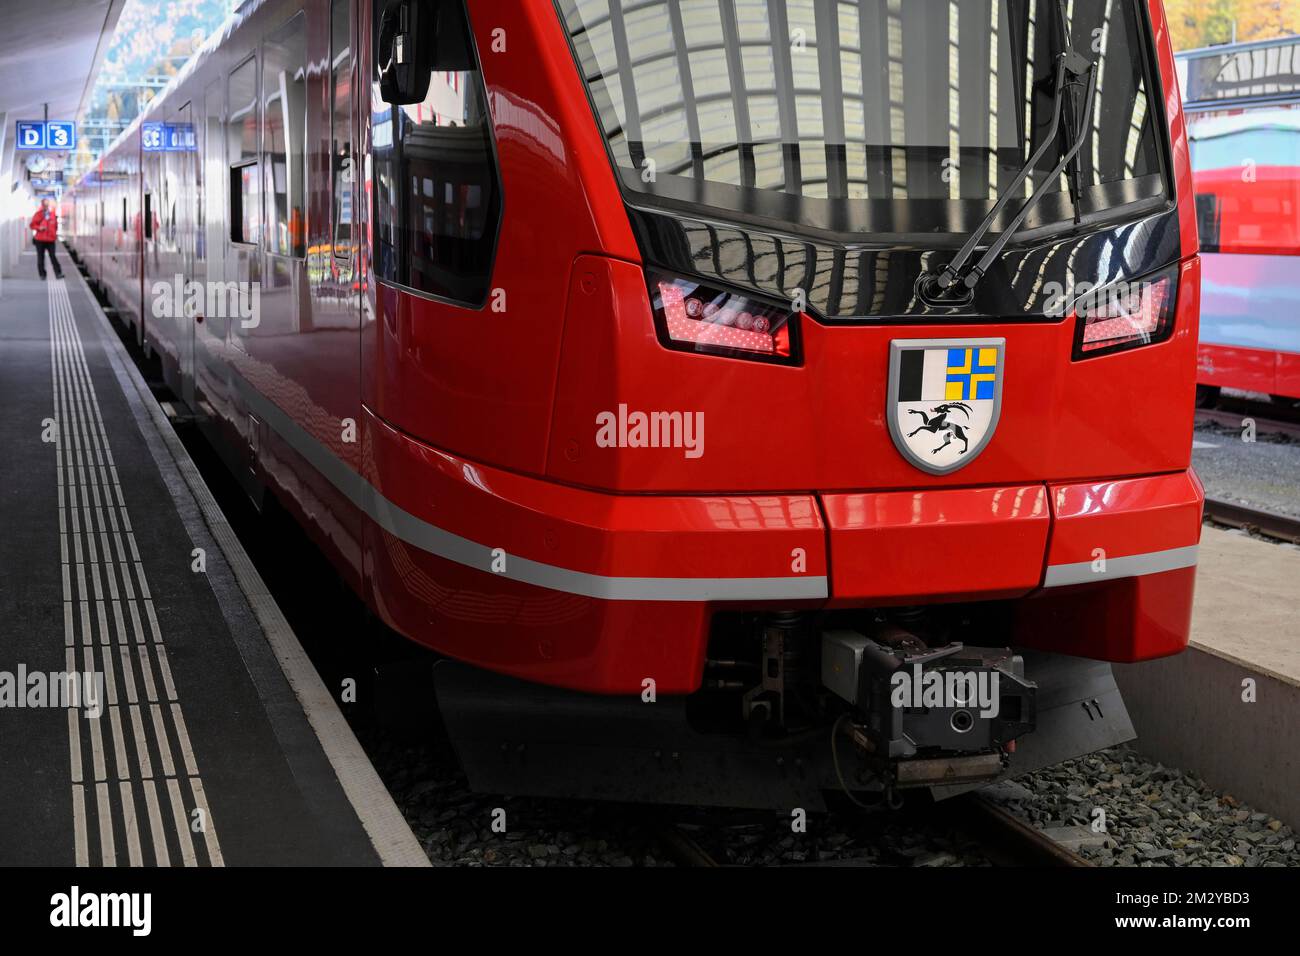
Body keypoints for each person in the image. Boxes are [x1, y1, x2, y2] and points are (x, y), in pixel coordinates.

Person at [30, 198, 63, 280]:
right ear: (42, 205)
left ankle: (58, 273)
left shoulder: (52, 214)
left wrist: (54, 235)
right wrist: (39, 228)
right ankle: (42, 275)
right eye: (44, 205)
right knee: (40, 258)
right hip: (40, 240)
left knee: (53, 256)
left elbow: (55, 226)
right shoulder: (38, 215)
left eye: (47, 205)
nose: (46, 206)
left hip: (50, 240)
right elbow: (32, 225)